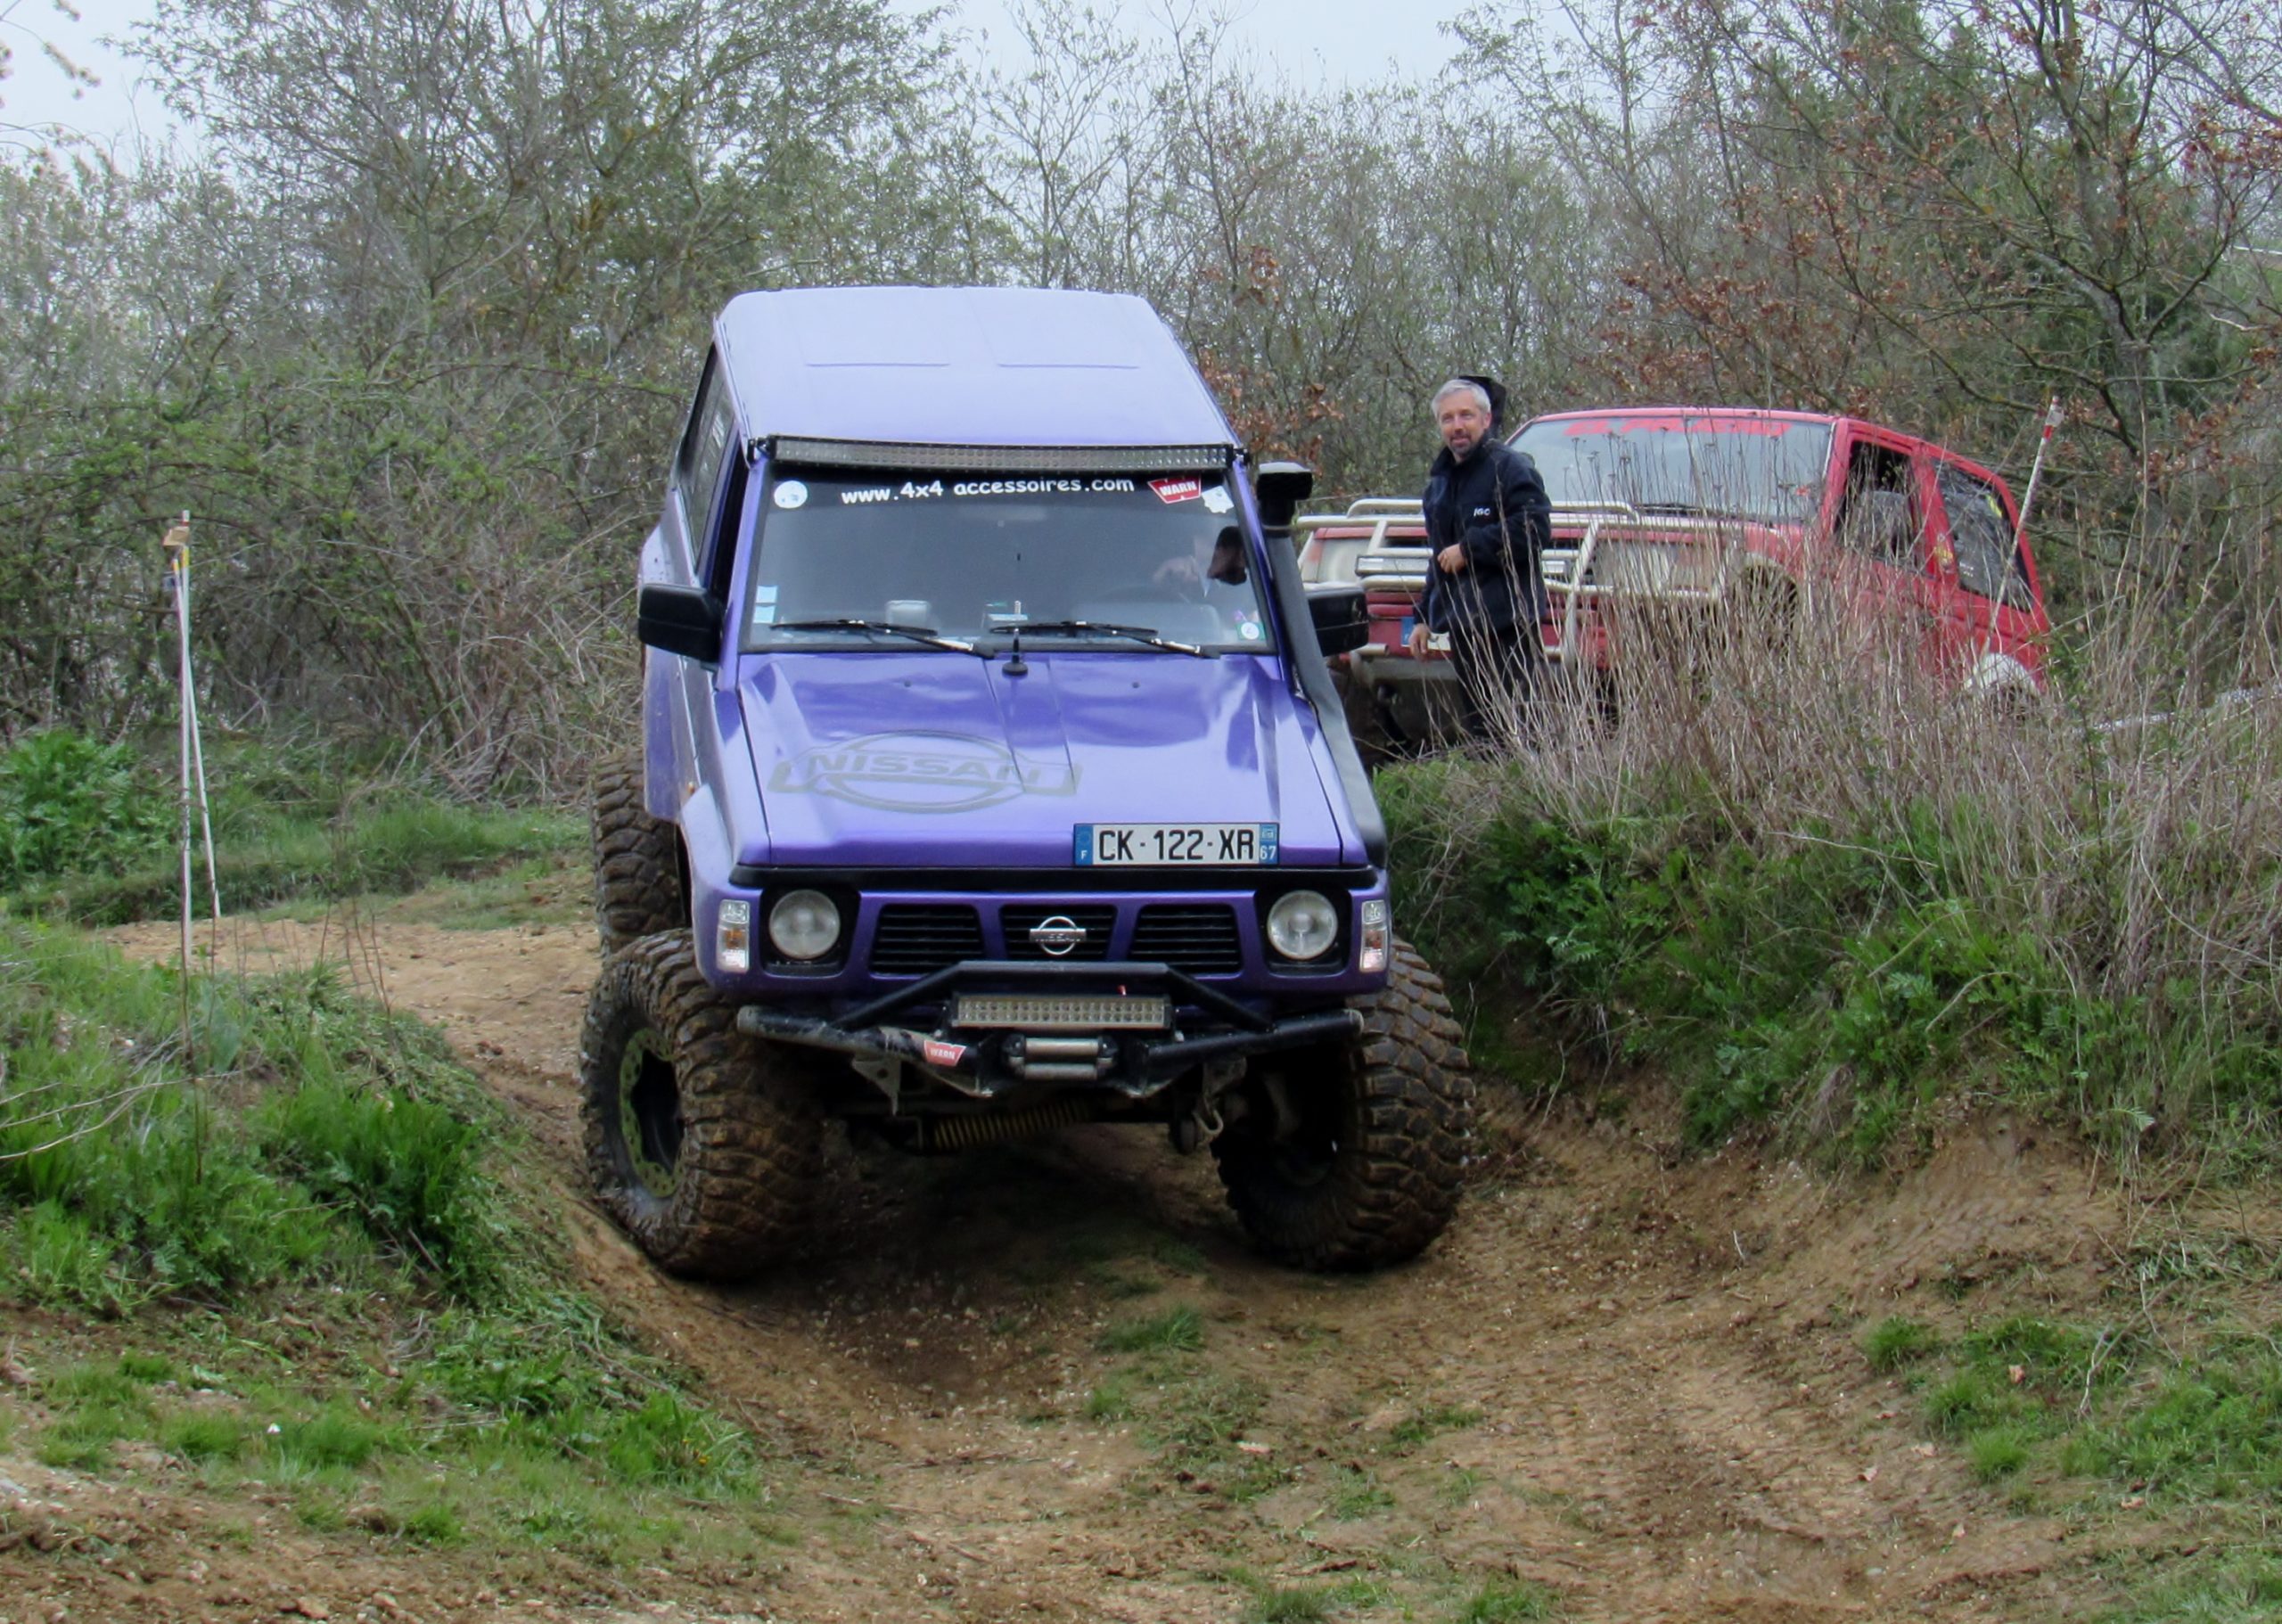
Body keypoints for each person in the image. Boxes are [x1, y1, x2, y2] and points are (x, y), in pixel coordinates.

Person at [1406, 377, 1552, 743]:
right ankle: (1490, 789)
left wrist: (1471, 549)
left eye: (1466, 416)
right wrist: (1423, 618)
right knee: (1480, 729)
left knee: (1518, 726)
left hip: (1509, 623)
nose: (1457, 426)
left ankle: (1528, 792)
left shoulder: (1510, 468)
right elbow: (1438, 556)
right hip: (1463, 625)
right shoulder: (1438, 485)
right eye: (1448, 418)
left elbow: (1535, 529)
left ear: (1486, 420)